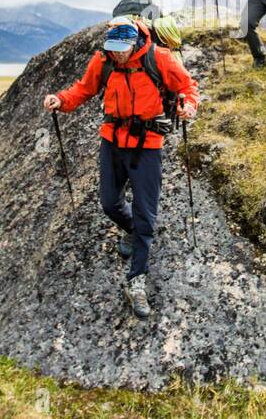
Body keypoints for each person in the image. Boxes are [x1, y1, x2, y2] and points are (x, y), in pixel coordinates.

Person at [43, 19, 198, 319]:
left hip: (147, 145)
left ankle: (136, 281)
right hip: (112, 142)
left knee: (145, 213)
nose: (117, 56)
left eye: (121, 51)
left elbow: (188, 87)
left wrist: (189, 106)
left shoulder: (159, 58)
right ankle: (133, 231)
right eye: (112, 50)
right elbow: (84, 89)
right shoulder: (104, 60)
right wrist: (61, 100)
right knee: (109, 202)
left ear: (135, 43)